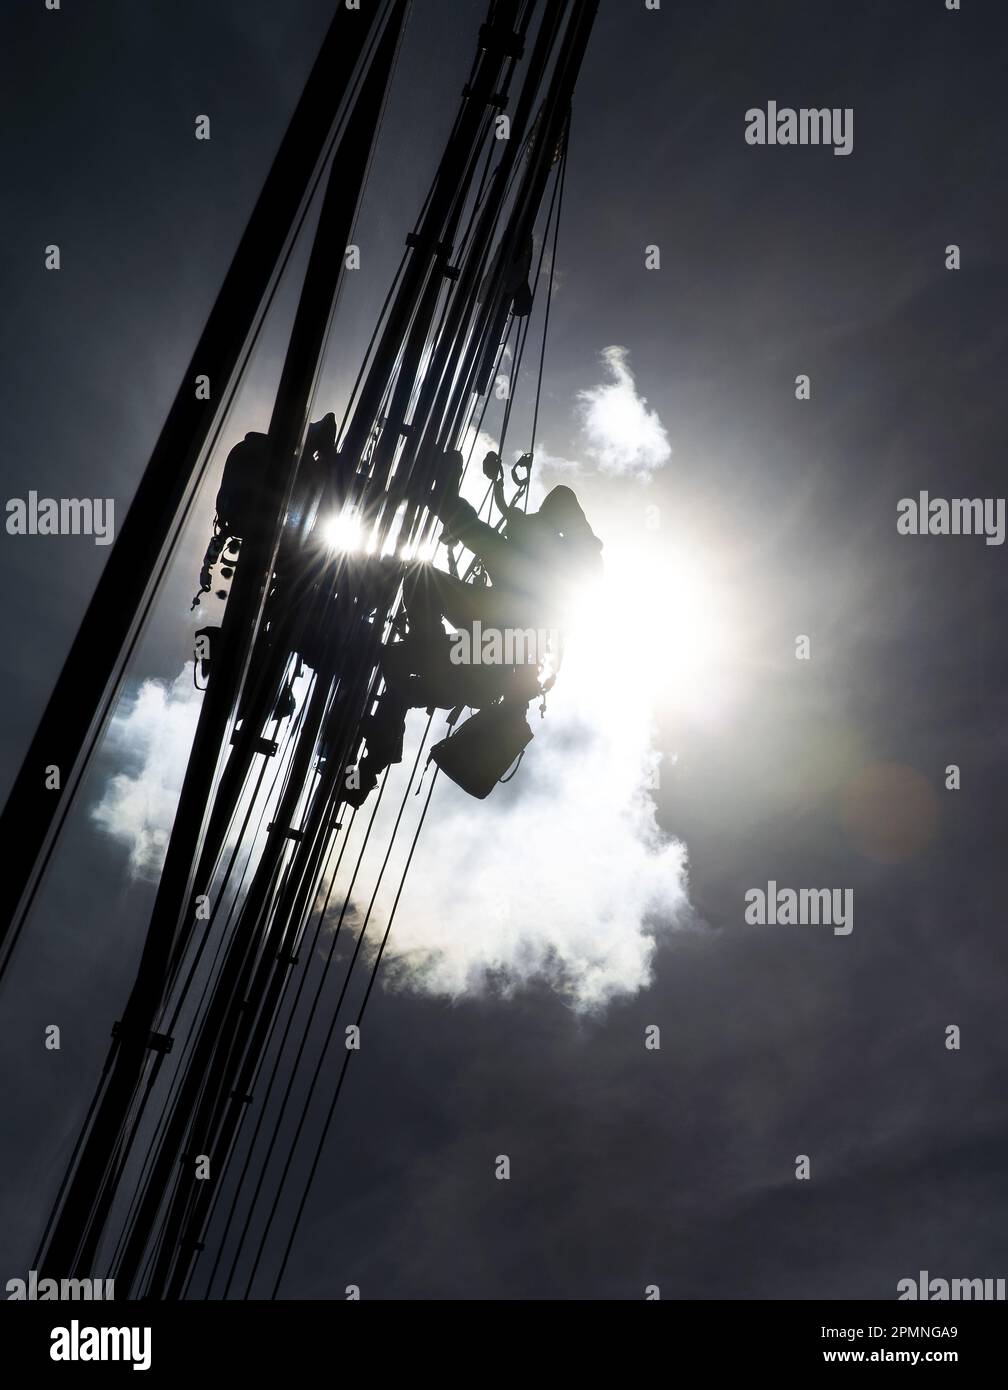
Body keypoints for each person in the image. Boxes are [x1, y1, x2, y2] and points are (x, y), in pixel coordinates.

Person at [345, 451, 602, 804]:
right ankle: (364, 771)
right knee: (400, 671)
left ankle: (366, 766)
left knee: (413, 612)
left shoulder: (532, 567)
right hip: (483, 666)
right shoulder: (566, 575)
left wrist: (443, 494)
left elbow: (472, 531)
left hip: (486, 659)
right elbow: (476, 533)